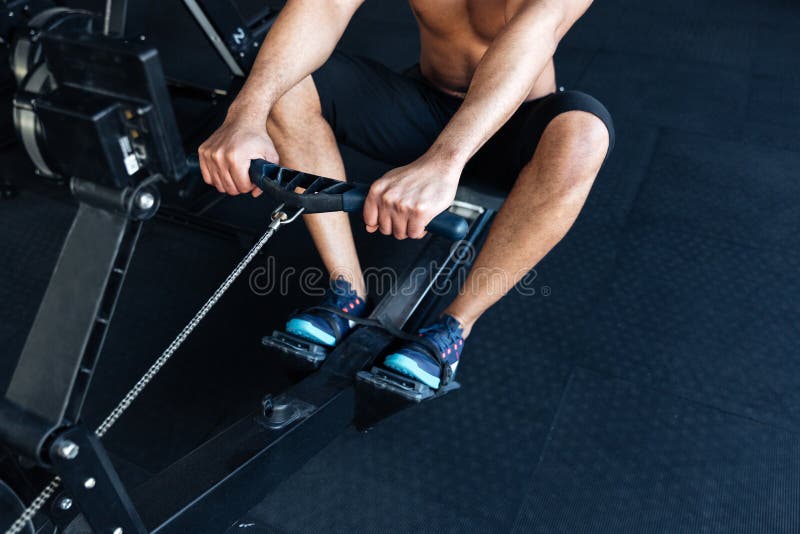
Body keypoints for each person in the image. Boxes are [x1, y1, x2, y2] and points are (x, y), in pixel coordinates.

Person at [198, 0, 614, 390]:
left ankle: (454, 328)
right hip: (424, 105)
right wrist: (245, 115)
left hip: (515, 124)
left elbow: (534, 34)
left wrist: (445, 161)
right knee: (281, 86)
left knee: (583, 136)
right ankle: (347, 291)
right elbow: (323, 6)